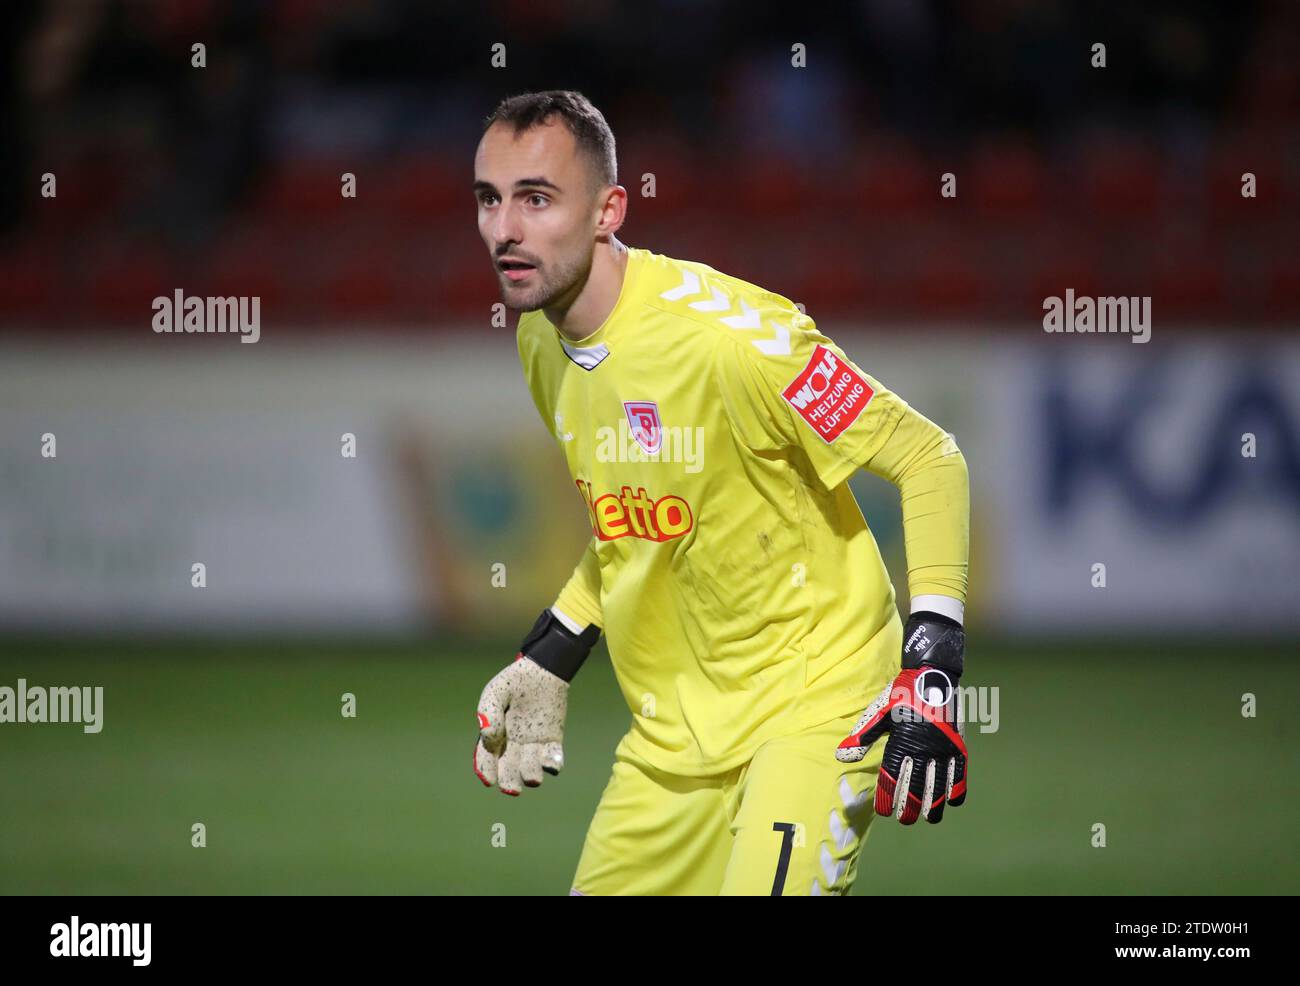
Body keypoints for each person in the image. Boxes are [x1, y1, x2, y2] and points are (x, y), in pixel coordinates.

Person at [470, 90, 970, 895]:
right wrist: (552, 653)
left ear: (608, 211)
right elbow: (634, 528)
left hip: (816, 706)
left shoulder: (738, 340)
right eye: (489, 201)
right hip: (674, 738)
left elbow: (929, 457)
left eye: (536, 199)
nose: (505, 231)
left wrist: (933, 664)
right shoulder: (539, 341)